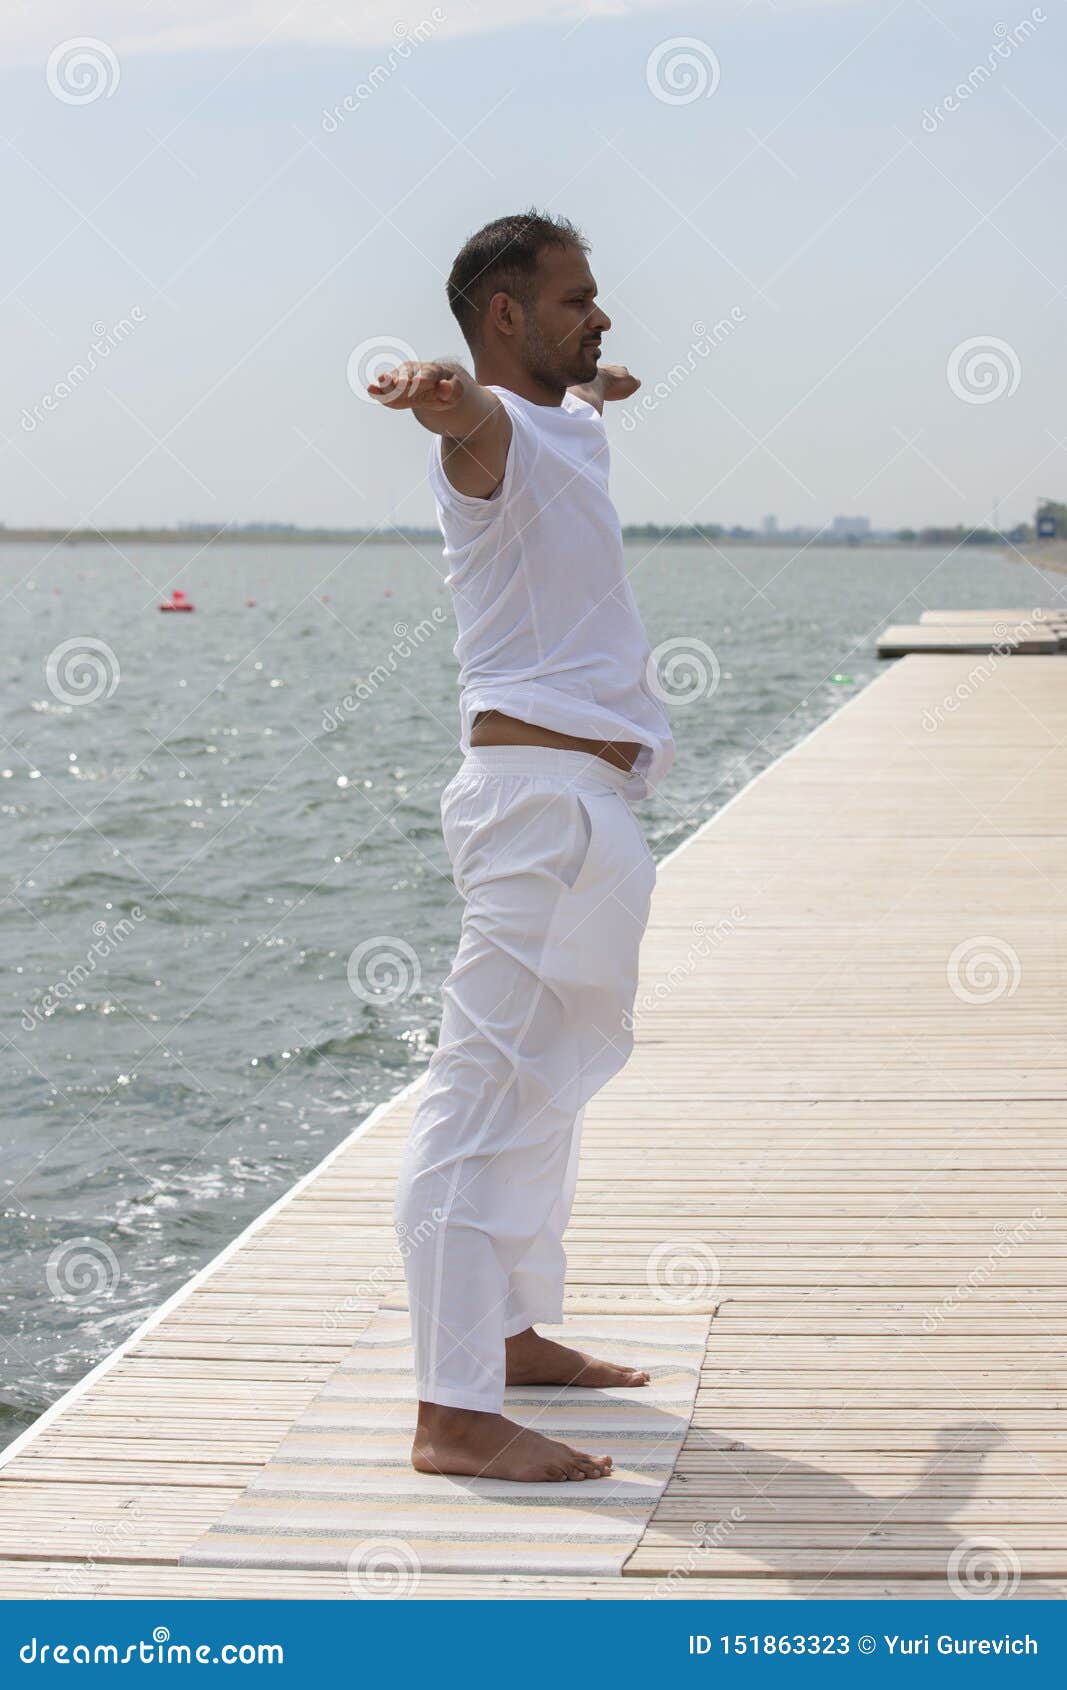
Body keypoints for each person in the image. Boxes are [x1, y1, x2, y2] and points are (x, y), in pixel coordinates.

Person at [369, 210, 674, 1483]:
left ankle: (507, 1330)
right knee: (476, 1091)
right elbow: (467, 420)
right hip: (534, 800)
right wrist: (431, 392)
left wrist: (599, 375)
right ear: (504, 314)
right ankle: (452, 1410)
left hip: (590, 802)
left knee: (550, 1083)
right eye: (575, 297)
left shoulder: (569, 417)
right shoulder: (489, 435)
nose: (599, 312)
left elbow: (577, 392)